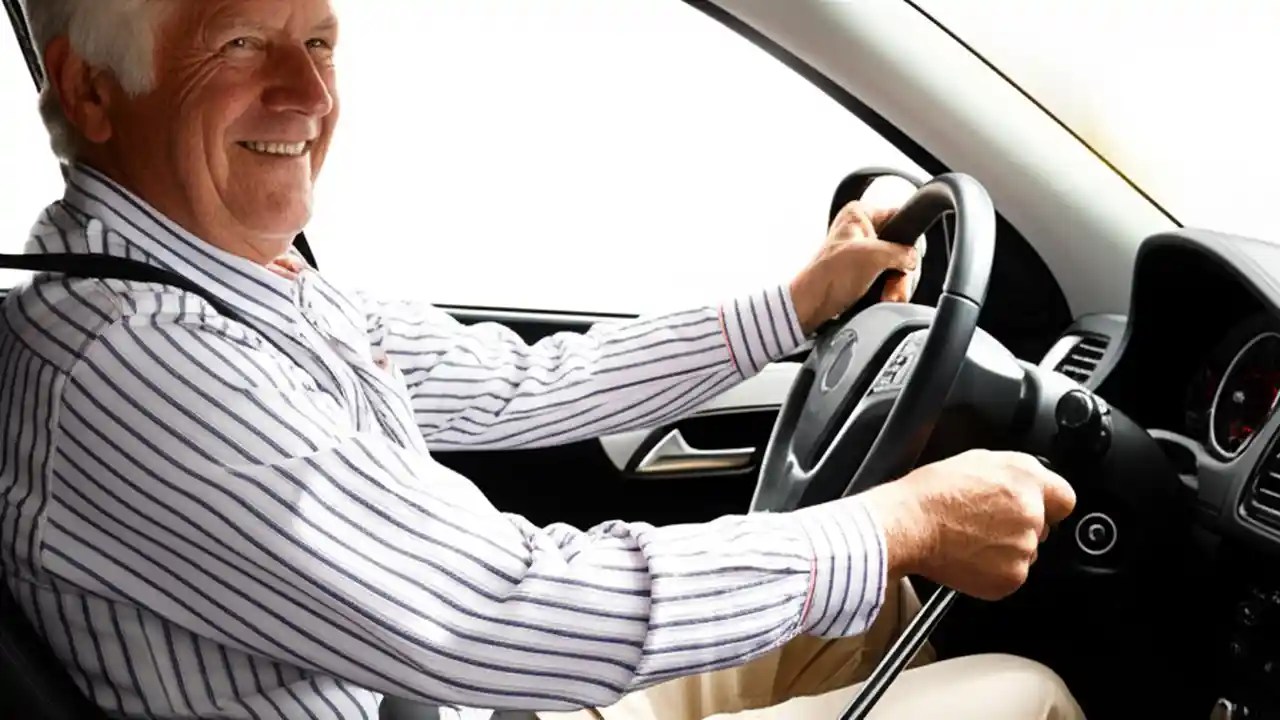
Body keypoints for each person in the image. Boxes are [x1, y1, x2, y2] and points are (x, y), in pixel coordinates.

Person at [0, 1, 1084, 719]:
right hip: (472, 678)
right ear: (91, 91)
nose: (311, 96)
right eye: (241, 42)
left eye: (319, 43)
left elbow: (521, 382)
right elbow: (494, 614)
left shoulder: (240, 286)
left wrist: (793, 306)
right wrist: (902, 519)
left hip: (467, 698)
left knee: (874, 613)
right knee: (1017, 688)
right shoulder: (142, 368)